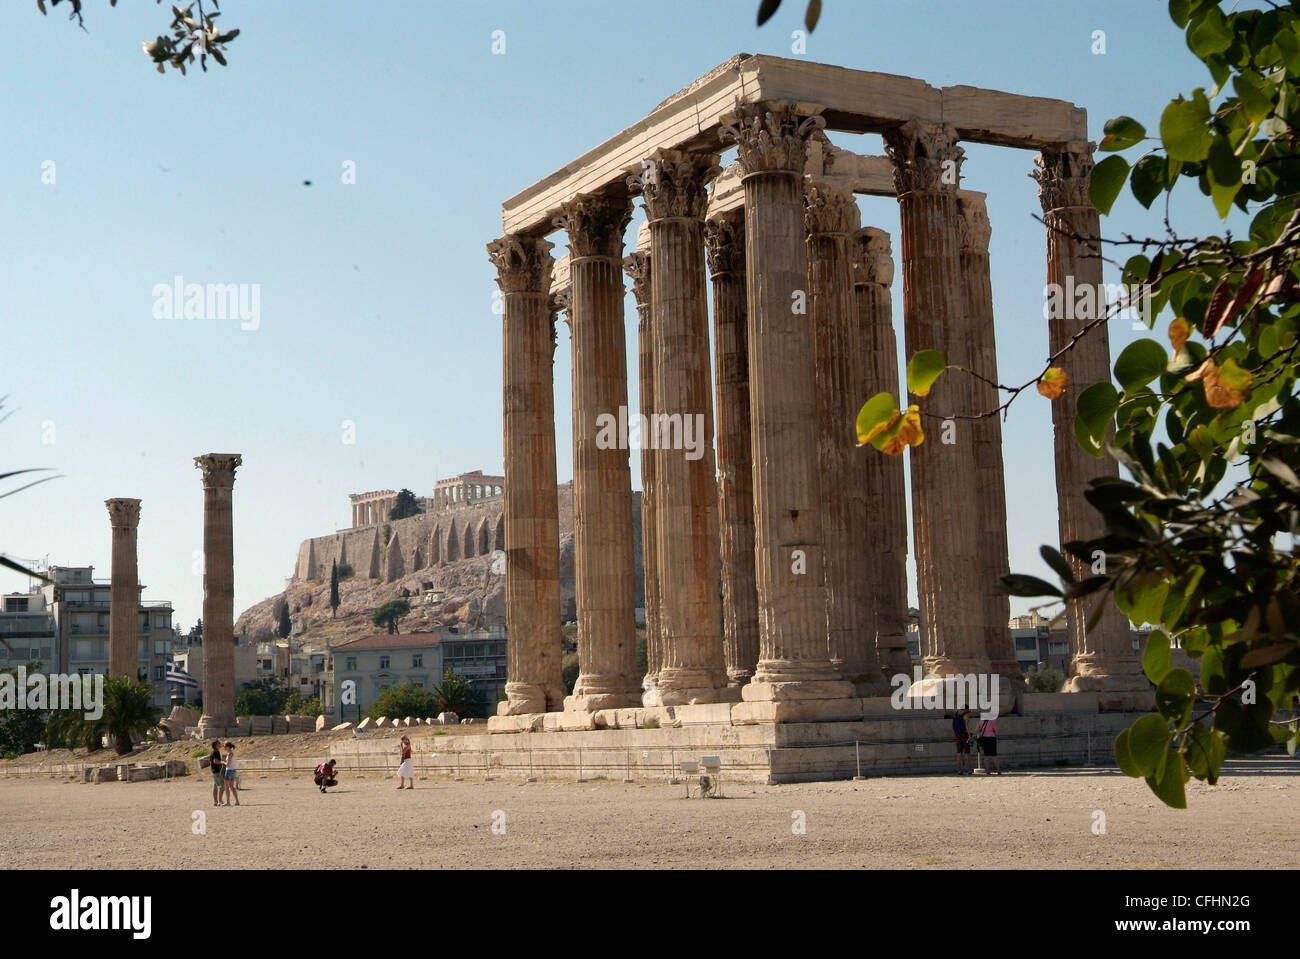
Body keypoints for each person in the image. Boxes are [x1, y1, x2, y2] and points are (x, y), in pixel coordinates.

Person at [952, 708, 972, 775]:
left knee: (959, 753)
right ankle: (969, 770)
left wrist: (956, 734)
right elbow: (967, 726)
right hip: (965, 735)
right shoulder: (965, 716)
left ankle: (959, 770)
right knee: (967, 752)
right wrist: (969, 736)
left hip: (958, 735)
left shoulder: (956, 716)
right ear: (966, 710)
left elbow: (952, 726)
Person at [208, 740, 225, 806]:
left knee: (215, 787)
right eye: (219, 743)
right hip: (217, 771)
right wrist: (223, 762)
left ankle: (215, 801)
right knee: (221, 786)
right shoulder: (216, 752)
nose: (220, 744)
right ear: (216, 745)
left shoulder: (212, 752)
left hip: (214, 771)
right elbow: (215, 761)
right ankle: (220, 801)